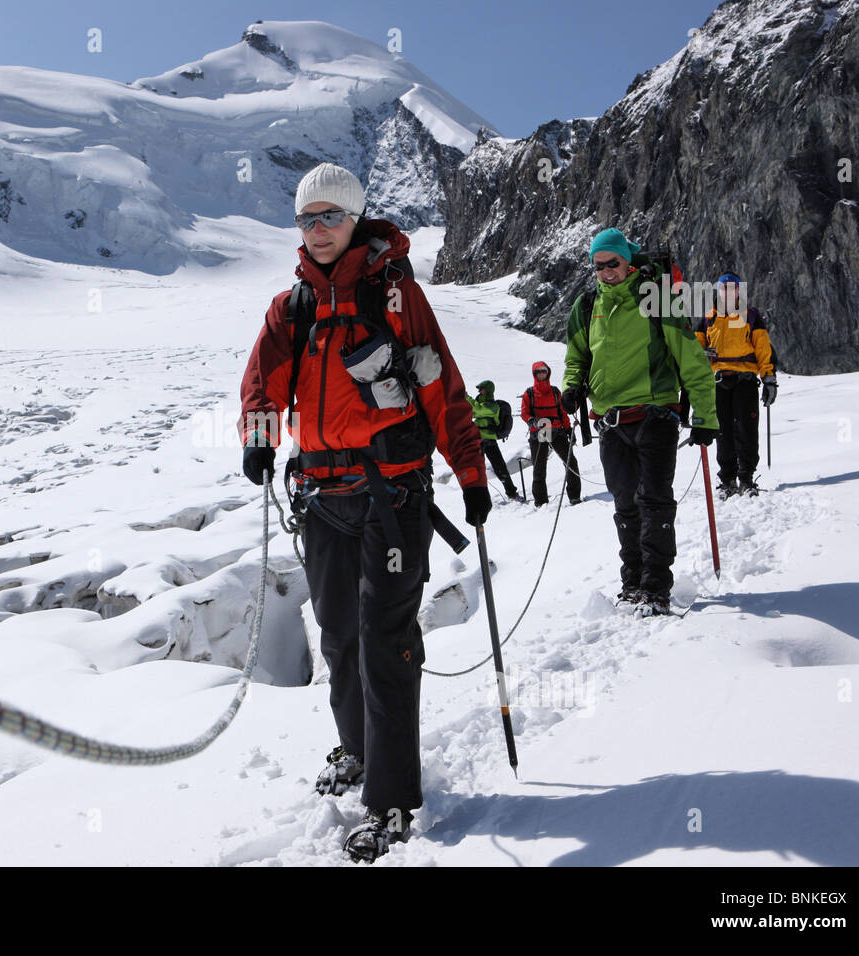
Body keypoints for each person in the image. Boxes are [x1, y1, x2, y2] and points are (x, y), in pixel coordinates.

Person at [238, 162, 489, 862]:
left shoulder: (398, 296)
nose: (318, 230)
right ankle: (355, 750)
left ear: (354, 218)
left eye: (330, 217)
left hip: (393, 497)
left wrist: (470, 472)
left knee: (386, 643)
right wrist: (259, 441)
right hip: (321, 498)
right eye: (306, 220)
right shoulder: (292, 308)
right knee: (340, 641)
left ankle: (393, 800)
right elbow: (260, 387)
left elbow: (444, 389)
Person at [560, 228, 719, 616]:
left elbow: (690, 358)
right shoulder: (586, 307)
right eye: (598, 266)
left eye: (612, 263)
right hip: (611, 424)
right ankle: (632, 583)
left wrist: (705, 416)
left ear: (627, 261)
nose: (605, 271)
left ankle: (655, 589)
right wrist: (571, 386)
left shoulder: (656, 298)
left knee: (655, 502)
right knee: (625, 505)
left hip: (656, 415)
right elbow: (577, 356)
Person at [693, 272, 777, 498]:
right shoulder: (708, 318)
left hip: (746, 380)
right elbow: (695, 351)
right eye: (724, 288)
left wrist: (768, 378)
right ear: (718, 291)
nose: (728, 292)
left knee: (746, 429)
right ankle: (728, 478)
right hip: (719, 381)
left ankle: (746, 477)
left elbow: (762, 348)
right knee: (723, 430)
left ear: (739, 290)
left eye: (732, 287)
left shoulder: (751, 316)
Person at [520, 361, 582, 506]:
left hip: (556, 430)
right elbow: (525, 412)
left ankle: (574, 496)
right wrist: (531, 421)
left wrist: (568, 429)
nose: (541, 374)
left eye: (544, 371)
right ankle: (541, 502)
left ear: (548, 372)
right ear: (534, 374)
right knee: (539, 467)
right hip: (541, 429)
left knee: (571, 462)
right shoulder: (529, 393)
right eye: (538, 372)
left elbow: (562, 412)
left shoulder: (555, 392)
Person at [469, 380, 520, 500]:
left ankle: (511, 492)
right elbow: (473, 411)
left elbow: (476, 411)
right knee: (478, 469)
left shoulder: (493, 406)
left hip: (488, 439)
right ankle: (481, 496)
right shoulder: (480, 404)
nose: (479, 391)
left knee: (499, 468)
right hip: (478, 439)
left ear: (488, 390)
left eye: (481, 389)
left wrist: (466, 397)